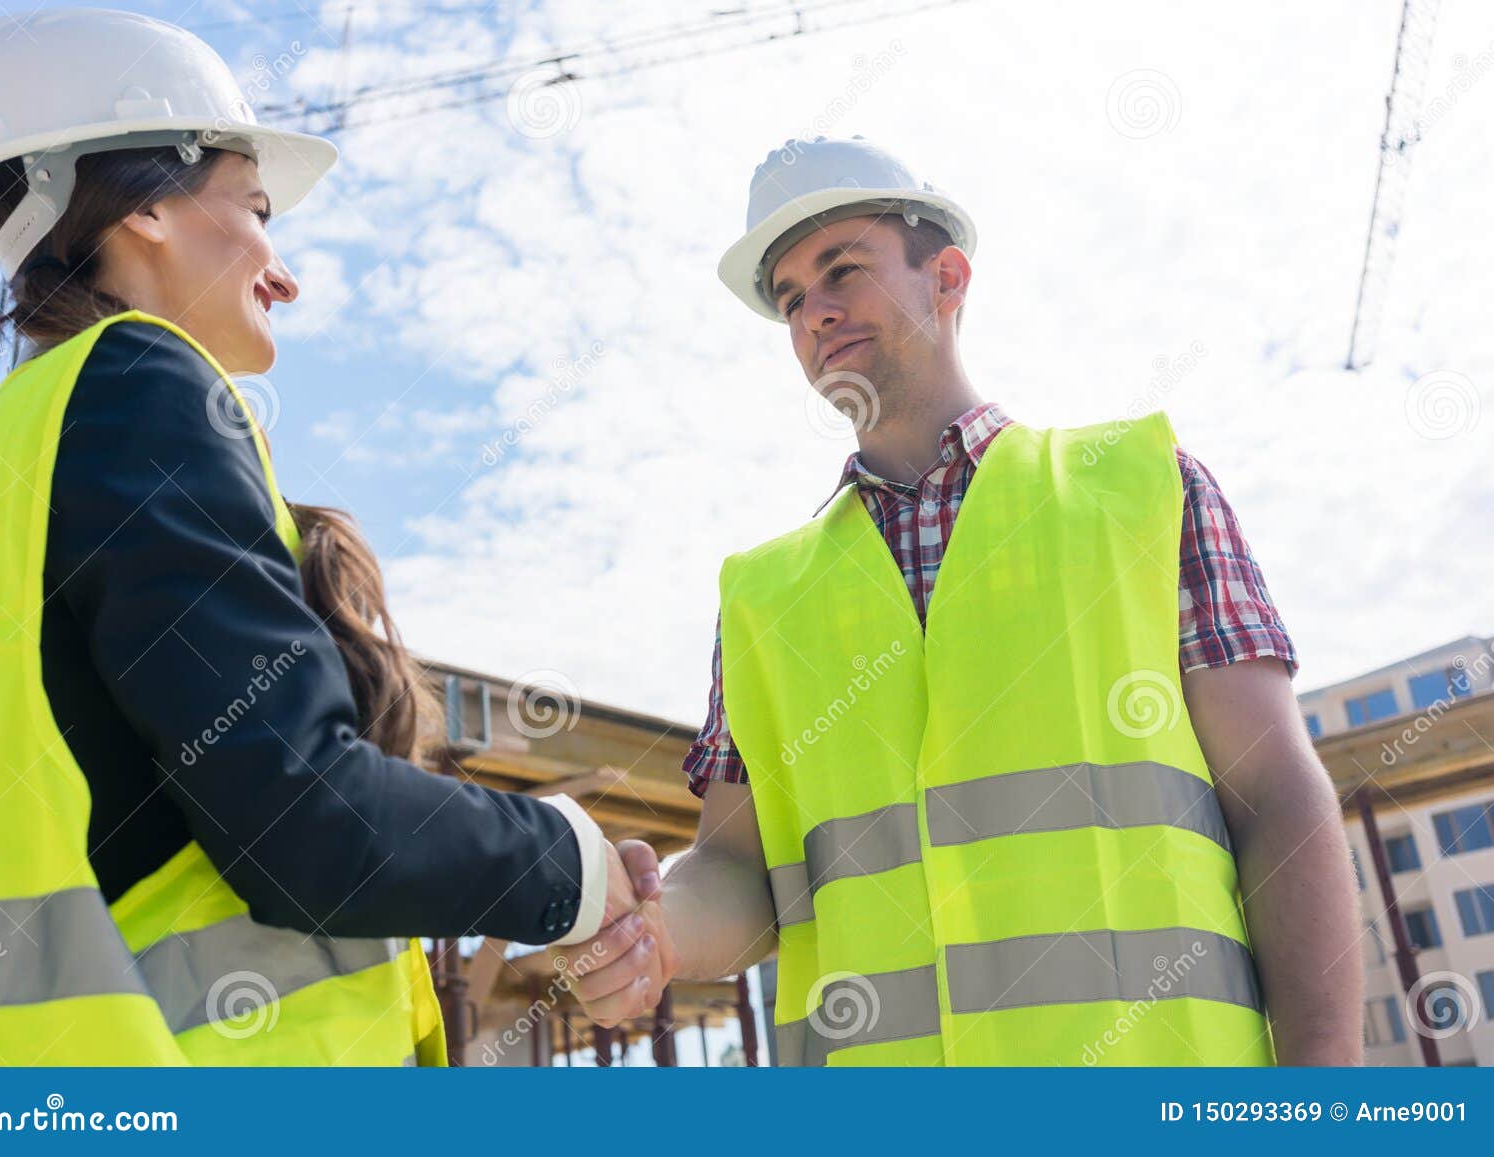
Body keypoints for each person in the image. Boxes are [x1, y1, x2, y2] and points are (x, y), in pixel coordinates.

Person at [0, 8, 671, 1066]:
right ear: (150, 208)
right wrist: (578, 866)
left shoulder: (14, 455)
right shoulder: (140, 382)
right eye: (255, 208)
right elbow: (304, 813)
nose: (284, 270)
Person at [558, 135, 1363, 1066]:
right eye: (789, 299)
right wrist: (654, 936)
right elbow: (741, 870)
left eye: (841, 270)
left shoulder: (1143, 489)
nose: (814, 313)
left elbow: (1276, 799)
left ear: (946, 277)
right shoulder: (761, 597)